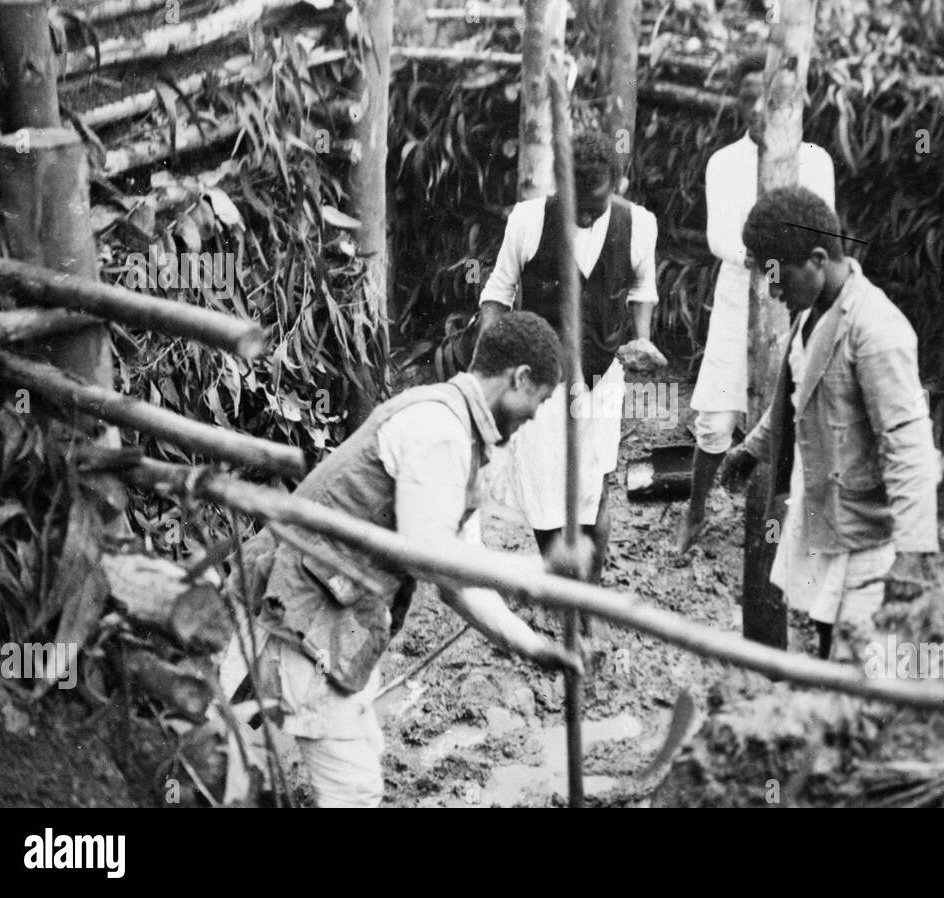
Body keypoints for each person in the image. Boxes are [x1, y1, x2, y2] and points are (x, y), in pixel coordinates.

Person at [222, 312, 579, 807]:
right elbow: (429, 555)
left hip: (326, 617)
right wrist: (535, 572)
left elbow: (459, 578)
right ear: (519, 377)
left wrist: (531, 645)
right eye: (535, 405)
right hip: (297, 613)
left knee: (315, 752)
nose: (529, 422)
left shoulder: (459, 433)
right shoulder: (440, 431)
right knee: (341, 791)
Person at [722, 187, 940, 661]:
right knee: (826, 634)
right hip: (825, 514)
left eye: (778, 276)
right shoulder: (810, 316)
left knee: (860, 664)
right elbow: (796, 398)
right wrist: (753, 449)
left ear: (818, 259)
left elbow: (909, 445)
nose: (772, 290)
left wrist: (914, 551)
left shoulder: (876, 329)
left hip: (869, 534)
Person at [476, 129, 666, 582]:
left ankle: (588, 597)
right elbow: (496, 295)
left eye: (594, 207)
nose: (583, 216)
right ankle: (563, 589)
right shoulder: (527, 220)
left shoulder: (639, 225)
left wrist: (640, 339)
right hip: (541, 385)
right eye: (574, 205)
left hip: (602, 379)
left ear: (615, 188)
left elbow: (643, 289)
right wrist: (487, 372)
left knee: (592, 489)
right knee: (544, 493)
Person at [678, 50, 837, 553]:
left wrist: (784, 257)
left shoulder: (814, 159)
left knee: (795, 406)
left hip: (796, 297)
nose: (757, 108)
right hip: (739, 294)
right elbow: (721, 237)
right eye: (747, 98)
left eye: (767, 98)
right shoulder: (724, 162)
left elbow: (823, 230)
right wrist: (765, 252)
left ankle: (785, 521)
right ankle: (697, 509)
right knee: (715, 416)